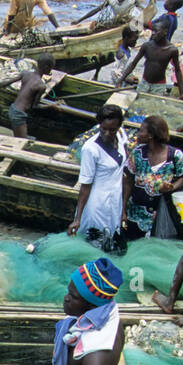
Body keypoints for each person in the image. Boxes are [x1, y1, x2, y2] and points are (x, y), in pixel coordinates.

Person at [67, 105, 128, 254]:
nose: (107, 134)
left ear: (119, 126)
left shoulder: (120, 136)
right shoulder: (90, 149)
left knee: (110, 245)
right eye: (103, 129)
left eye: (112, 130)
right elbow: (85, 185)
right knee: (94, 245)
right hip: (97, 204)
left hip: (115, 202)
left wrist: (123, 208)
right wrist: (78, 218)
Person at [122, 114, 183, 240]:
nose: (138, 133)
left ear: (151, 135)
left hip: (160, 214)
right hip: (135, 214)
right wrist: (123, 209)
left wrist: (171, 187)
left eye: (141, 130)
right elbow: (128, 181)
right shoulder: (137, 153)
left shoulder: (175, 155)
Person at [0, 56, 58, 135]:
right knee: (22, 141)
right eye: (51, 68)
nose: (51, 70)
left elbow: (8, 82)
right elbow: (34, 106)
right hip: (19, 114)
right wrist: (51, 106)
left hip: (13, 108)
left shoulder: (25, 73)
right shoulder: (41, 86)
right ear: (46, 67)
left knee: (19, 138)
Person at [120, 25, 183, 98]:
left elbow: (178, 71)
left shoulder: (172, 50)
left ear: (165, 32)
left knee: (154, 106)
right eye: (153, 32)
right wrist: (120, 80)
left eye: (156, 32)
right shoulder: (147, 46)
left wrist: (182, 93)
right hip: (144, 83)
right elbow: (133, 64)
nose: (153, 34)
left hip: (159, 86)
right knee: (138, 104)